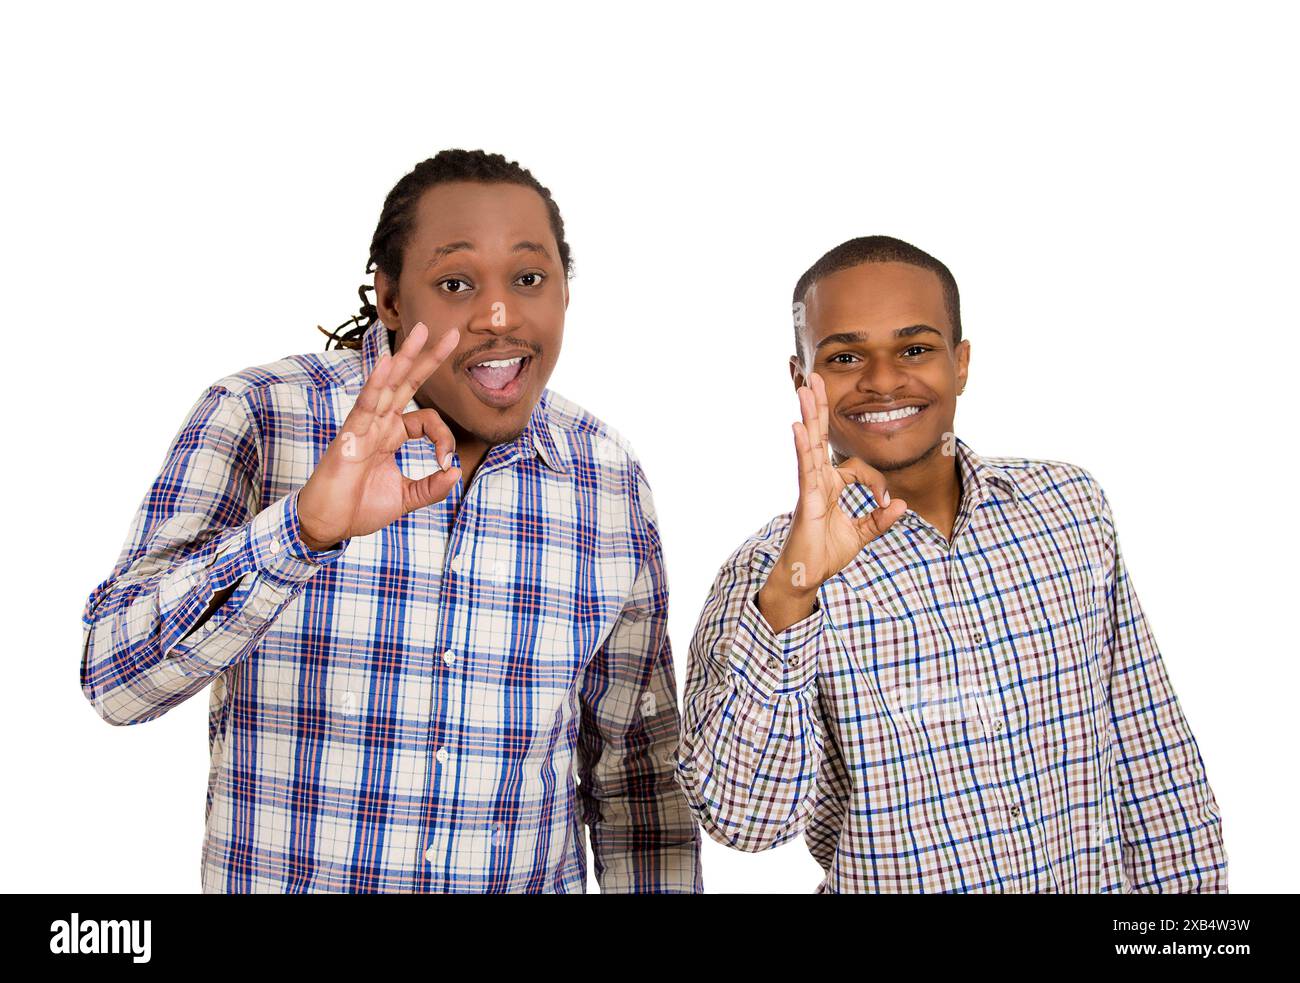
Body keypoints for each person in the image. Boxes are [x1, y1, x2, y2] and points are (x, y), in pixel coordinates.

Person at [80, 149, 701, 894]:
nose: (499, 316)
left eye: (529, 279)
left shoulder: (608, 478)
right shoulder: (257, 415)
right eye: (456, 283)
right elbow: (114, 681)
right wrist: (302, 531)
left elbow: (640, 781)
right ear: (392, 298)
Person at [674, 235, 1226, 893]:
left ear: (960, 363)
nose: (882, 379)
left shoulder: (1070, 507)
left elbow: (1151, 750)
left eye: (914, 348)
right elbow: (745, 820)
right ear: (803, 380)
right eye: (846, 355)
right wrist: (795, 595)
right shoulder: (767, 575)